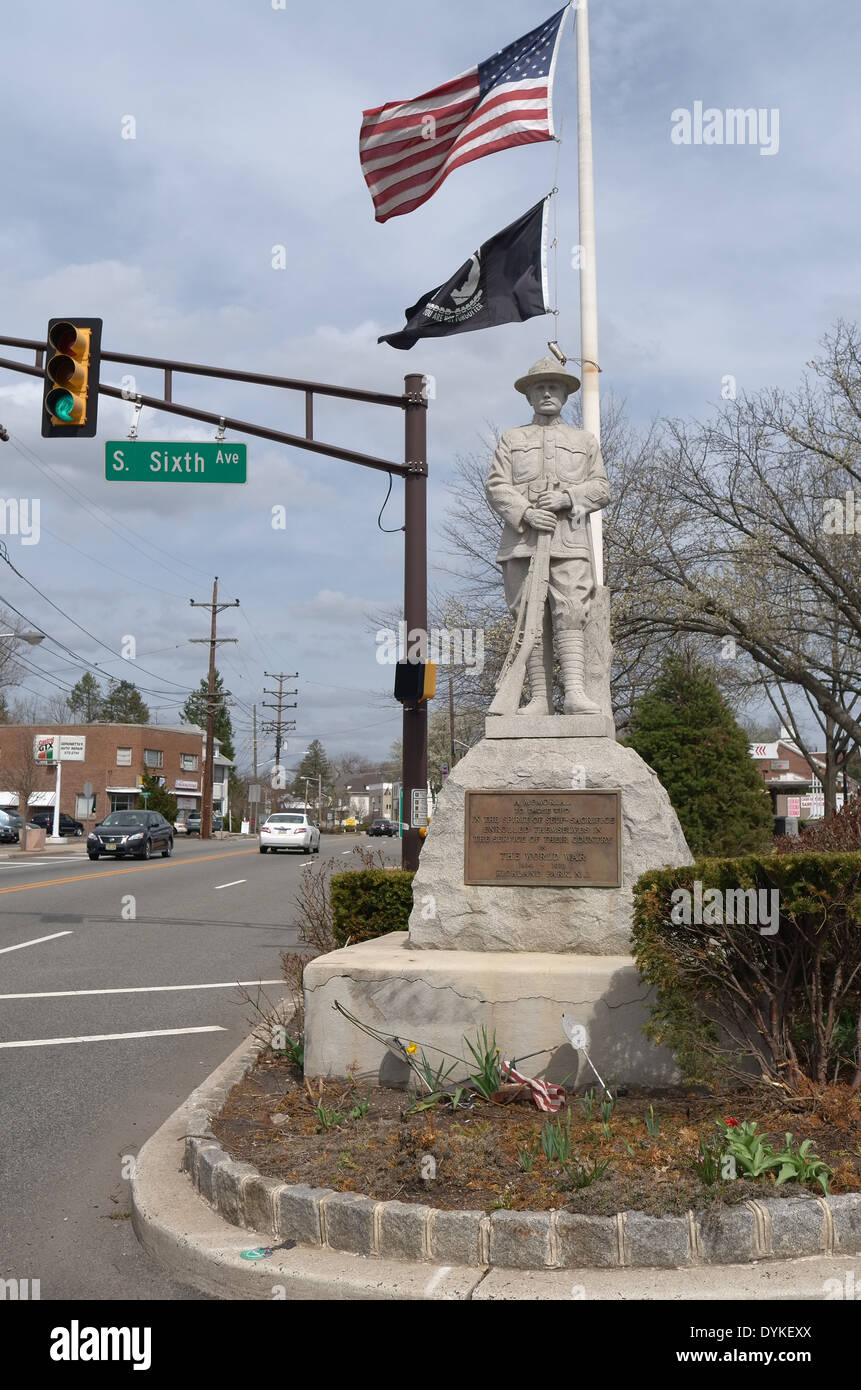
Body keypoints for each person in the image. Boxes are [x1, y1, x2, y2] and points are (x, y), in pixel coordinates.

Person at [485, 356, 609, 714]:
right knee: (530, 617)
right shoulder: (512, 439)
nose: (547, 393)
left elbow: (601, 488)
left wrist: (568, 498)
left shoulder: (584, 441)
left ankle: (574, 694)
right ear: (528, 396)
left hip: (569, 542)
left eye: (554, 386)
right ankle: (539, 698)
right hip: (522, 544)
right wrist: (526, 512)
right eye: (539, 387)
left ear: (566, 395)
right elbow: (496, 486)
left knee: (571, 613)